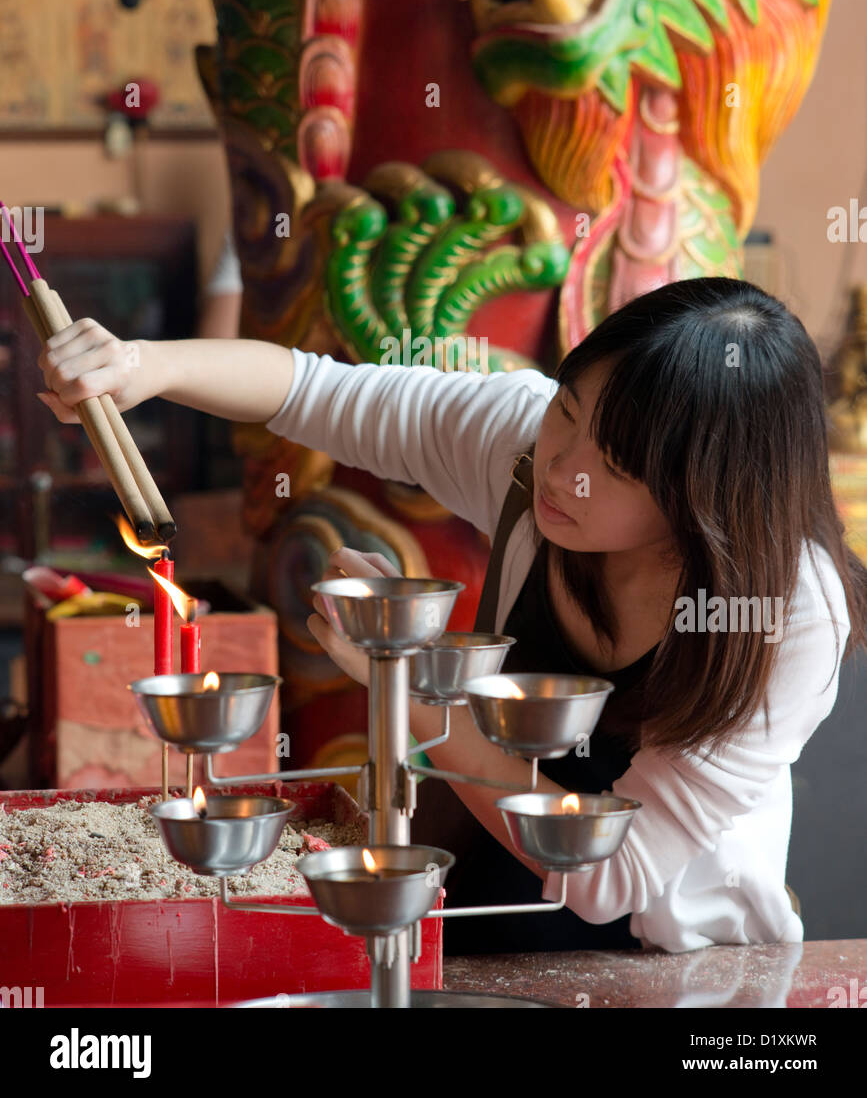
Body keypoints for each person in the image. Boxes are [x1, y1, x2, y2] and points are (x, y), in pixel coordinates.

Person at [34, 277, 865, 953]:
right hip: (490, 888)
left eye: (611, 467)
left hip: (669, 959)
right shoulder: (525, 450)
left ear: (705, 496)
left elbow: (614, 879)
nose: (559, 469)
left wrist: (412, 686)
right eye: (565, 410)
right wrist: (142, 365)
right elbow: (319, 391)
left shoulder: (787, 616)